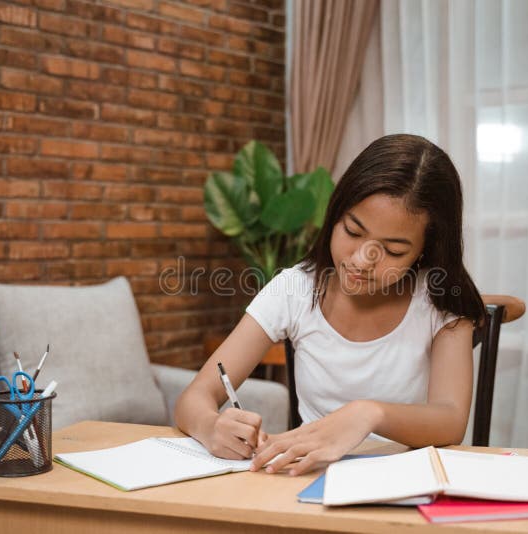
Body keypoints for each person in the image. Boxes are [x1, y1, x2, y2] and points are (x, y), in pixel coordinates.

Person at [174, 133, 485, 476]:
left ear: (424, 250)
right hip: (308, 481)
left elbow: (451, 418)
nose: (362, 260)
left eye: (393, 251)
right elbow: (196, 396)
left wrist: (367, 414)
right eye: (353, 231)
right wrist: (210, 426)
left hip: (408, 483)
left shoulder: (441, 299)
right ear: (335, 214)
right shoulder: (295, 289)